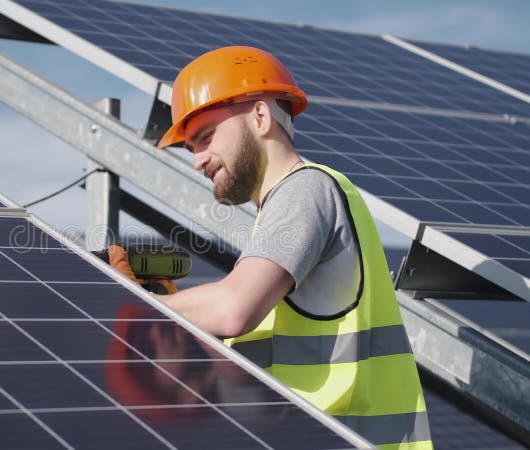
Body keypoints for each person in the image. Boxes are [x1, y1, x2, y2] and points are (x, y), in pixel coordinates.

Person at [110, 46, 431, 449]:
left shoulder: (305, 191)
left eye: (206, 137)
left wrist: (131, 304)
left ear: (260, 116)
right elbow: (256, 390)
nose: (198, 161)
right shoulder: (282, 214)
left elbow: (234, 310)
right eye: (192, 147)